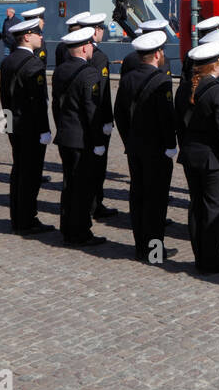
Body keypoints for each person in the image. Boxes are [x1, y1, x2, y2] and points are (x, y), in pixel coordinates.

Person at [176, 41, 219, 274]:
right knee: (213, 211)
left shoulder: (184, 89)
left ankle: (200, 256)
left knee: (196, 208)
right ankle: (212, 260)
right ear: (215, 65)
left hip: (191, 157)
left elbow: (180, 125)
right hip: (213, 161)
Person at [115, 30, 177, 260]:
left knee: (138, 197)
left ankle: (140, 246)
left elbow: (119, 114)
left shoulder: (128, 78)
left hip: (135, 148)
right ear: (158, 54)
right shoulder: (162, 80)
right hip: (157, 149)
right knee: (156, 201)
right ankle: (154, 251)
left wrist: (128, 139)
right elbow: (166, 117)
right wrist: (171, 144)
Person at [52, 26, 111, 247]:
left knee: (69, 186)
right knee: (82, 188)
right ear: (85, 47)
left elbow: (56, 106)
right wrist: (97, 141)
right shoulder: (89, 74)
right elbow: (91, 111)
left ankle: (67, 228)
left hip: (65, 136)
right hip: (82, 139)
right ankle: (80, 232)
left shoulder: (60, 70)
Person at [0, 17, 54, 236]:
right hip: (31, 127)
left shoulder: (9, 61)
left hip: (14, 123)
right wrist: (44, 129)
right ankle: (27, 220)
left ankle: (17, 217)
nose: (41, 36)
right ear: (27, 36)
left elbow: (5, 97)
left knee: (19, 171)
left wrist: (9, 124)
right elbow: (37, 102)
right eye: (37, 33)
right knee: (30, 175)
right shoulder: (33, 64)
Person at [81, 13, 117, 220]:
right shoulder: (99, 57)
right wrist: (107, 119)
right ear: (95, 30)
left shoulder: (70, 52)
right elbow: (102, 93)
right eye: (101, 28)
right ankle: (95, 203)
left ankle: (87, 202)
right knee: (97, 164)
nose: (102, 32)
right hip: (97, 118)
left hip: (80, 119)